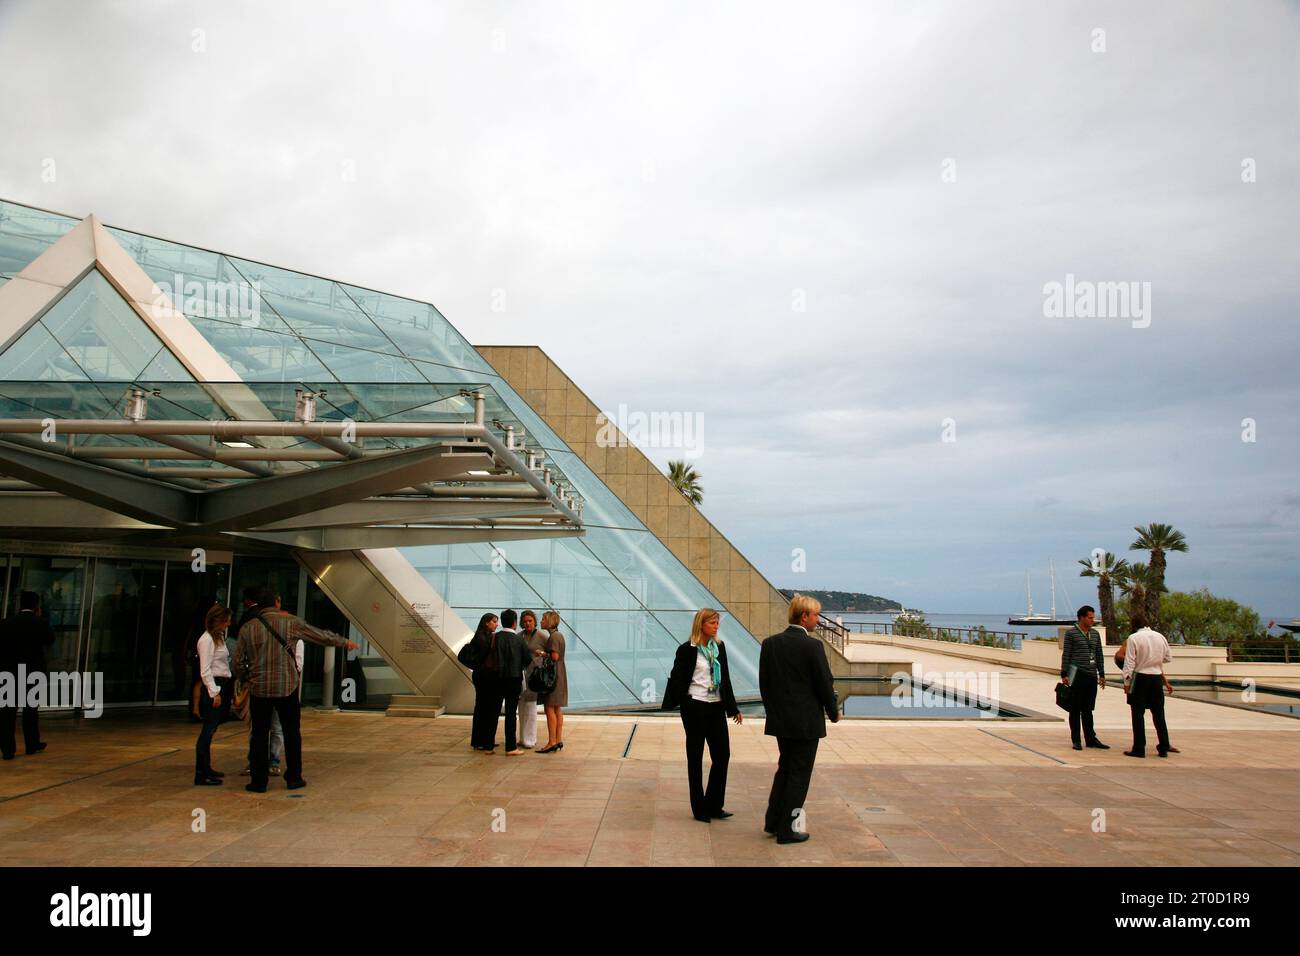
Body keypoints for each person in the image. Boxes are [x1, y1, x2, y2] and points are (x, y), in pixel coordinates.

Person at [233, 588, 357, 793]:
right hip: (286, 686)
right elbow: (320, 635)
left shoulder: (248, 628)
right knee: (291, 733)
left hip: (259, 688)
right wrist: (344, 642)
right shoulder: (290, 622)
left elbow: (237, 662)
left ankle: (258, 781)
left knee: (259, 734)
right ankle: (293, 777)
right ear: (277, 603)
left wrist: (247, 677)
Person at [760, 594, 838, 844]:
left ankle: (772, 822)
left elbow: (765, 684)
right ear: (804, 616)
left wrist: (774, 712)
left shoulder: (770, 644)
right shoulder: (812, 646)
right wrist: (833, 711)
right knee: (799, 775)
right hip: (805, 723)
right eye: (816, 614)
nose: (818, 619)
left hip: (782, 722)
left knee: (785, 769)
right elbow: (824, 683)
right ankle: (787, 829)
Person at [662, 608, 742, 822]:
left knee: (722, 755)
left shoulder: (719, 648)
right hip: (695, 706)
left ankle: (714, 803)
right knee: (695, 757)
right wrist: (685, 701)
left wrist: (732, 708)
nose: (716, 626)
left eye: (717, 623)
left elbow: (725, 678)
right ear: (701, 624)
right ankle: (699, 809)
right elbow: (676, 678)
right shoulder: (687, 649)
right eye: (712, 623)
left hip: (716, 706)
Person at [0, 591, 55, 760]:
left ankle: (8, 749)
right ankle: (31, 744)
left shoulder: (6, 623)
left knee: (7, 711)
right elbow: (50, 640)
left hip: (9, 671)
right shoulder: (40, 623)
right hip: (33, 671)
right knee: (30, 710)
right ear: (36, 606)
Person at [1123, 606, 1178, 758]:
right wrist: (1154, 661)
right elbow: (1168, 657)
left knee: (1138, 714)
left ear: (1134, 625)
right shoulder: (1160, 637)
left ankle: (1139, 748)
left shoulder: (1133, 638)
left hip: (1140, 678)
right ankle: (1164, 746)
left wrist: (1127, 684)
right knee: (1159, 714)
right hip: (1155, 678)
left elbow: (1129, 664)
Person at [1060, 605, 1109, 751]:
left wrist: (1102, 674)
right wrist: (1064, 674)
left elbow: (1099, 654)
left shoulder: (1094, 634)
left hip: (1091, 675)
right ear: (1081, 617)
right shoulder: (1071, 634)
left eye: (1093, 617)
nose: (1092, 620)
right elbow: (1066, 654)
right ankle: (1076, 739)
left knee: (1088, 709)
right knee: (1075, 709)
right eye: (1090, 617)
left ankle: (1091, 738)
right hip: (1077, 674)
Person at [194, 604, 233, 785]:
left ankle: (207, 767)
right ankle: (201, 772)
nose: (228, 624)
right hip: (214, 685)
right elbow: (205, 670)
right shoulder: (207, 640)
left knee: (212, 728)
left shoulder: (218, 639)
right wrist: (214, 692)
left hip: (222, 683)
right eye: (225, 621)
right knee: (208, 730)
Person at [466, 612, 500, 751]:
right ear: (486, 622)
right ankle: (480, 740)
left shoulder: (484, 636)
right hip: (483, 676)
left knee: (484, 707)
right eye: (494, 621)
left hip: (482, 675)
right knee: (482, 707)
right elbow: (485, 656)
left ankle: (484, 739)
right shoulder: (482, 638)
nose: (496, 624)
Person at [537, 610, 568, 753]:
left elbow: (554, 657)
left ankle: (551, 741)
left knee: (549, 708)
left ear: (549, 621)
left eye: (543, 619)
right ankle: (558, 739)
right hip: (560, 674)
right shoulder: (559, 635)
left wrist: (542, 653)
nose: (541, 621)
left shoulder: (554, 637)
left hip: (553, 676)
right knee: (557, 708)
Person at [517, 610, 548, 749]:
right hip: (521, 676)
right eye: (525, 621)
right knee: (521, 707)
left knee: (530, 707)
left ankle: (530, 739)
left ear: (534, 621)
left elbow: (551, 653)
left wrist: (541, 654)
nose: (527, 623)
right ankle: (523, 738)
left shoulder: (541, 635)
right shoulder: (519, 636)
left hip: (534, 676)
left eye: (530, 621)